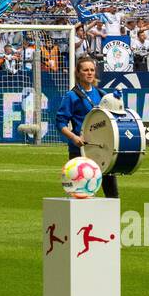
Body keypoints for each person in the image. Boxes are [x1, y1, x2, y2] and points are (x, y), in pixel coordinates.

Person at [54, 56, 118, 198]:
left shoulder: (102, 95)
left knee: (112, 194)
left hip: (103, 150)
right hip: (80, 150)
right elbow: (60, 122)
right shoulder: (71, 96)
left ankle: (112, 220)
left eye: (92, 70)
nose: (89, 73)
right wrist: (73, 137)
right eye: (85, 70)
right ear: (78, 73)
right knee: (82, 194)